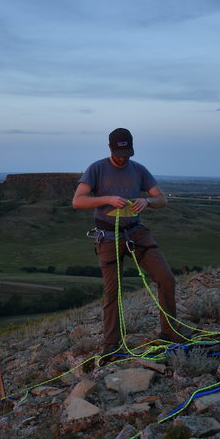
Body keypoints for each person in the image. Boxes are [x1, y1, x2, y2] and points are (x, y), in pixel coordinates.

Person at [72, 128, 188, 362]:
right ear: (110, 148)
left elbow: (162, 199)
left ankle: (170, 333)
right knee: (113, 292)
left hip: (136, 232)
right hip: (108, 236)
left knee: (166, 278)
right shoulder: (96, 168)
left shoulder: (139, 170)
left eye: (127, 152)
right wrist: (107, 199)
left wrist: (147, 200)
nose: (123, 157)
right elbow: (78, 201)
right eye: (119, 152)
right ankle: (112, 346)